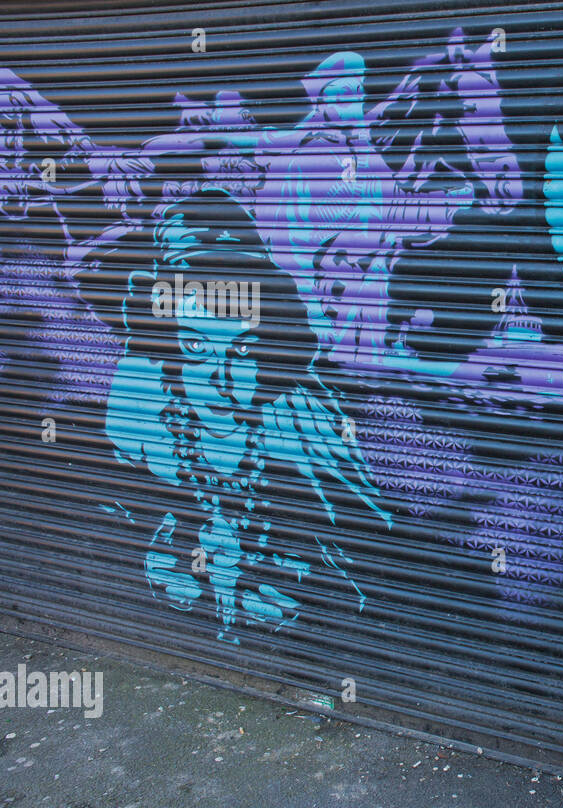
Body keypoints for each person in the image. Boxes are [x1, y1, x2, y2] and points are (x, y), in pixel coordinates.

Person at [89, 189, 391, 645]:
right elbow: (108, 510)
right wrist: (161, 544)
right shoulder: (141, 400)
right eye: (194, 346)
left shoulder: (301, 419)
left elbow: (372, 558)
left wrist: (309, 579)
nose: (220, 380)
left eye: (242, 350)